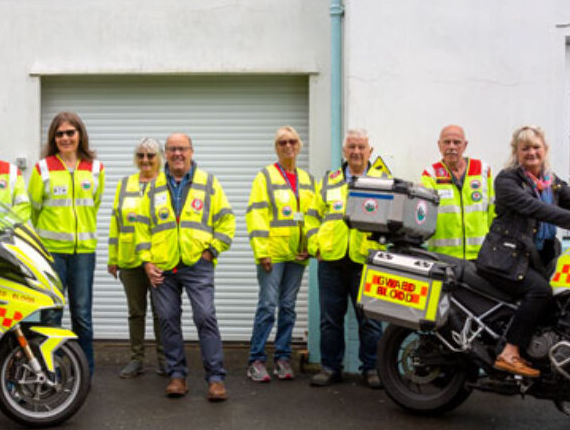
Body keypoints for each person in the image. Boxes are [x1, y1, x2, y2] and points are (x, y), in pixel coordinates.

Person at [475, 125, 570, 378]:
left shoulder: (550, 182)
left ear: (545, 150)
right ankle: (510, 352)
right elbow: (535, 208)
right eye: (525, 148)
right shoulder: (507, 180)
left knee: (564, 296)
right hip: (506, 259)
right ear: (516, 152)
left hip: (537, 260)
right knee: (540, 291)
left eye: (536, 147)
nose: (532, 152)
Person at [135, 133, 235, 402]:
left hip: (197, 264)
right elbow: (142, 228)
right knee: (167, 320)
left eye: (182, 149)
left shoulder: (208, 183)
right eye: (172, 149)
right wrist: (146, 261)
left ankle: (216, 379)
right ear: (165, 154)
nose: (177, 154)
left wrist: (211, 251)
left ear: (191, 151)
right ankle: (177, 376)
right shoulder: (153, 186)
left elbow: (227, 221)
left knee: (205, 317)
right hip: (164, 267)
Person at [306, 128, 389, 389]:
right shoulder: (331, 179)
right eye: (351, 146)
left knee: (370, 318)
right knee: (330, 319)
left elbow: (391, 221)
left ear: (370, 151)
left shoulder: (382, 181)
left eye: (361, 147)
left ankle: (373, 369)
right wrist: (314, 245)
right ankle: (331, 368)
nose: (356, 151)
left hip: (366, 260)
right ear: (344, 150)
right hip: (331, 259)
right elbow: (312, 217)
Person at [28, 112, 105, 375]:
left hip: (83, 254)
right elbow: (34, 211)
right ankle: (53, 371)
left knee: (82, 315)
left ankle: (85, 373)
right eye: (59, 134)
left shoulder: (96, 168)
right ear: (53, 138)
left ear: (80, 134)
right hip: (52, 254)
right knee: (51, 315)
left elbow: (93, 205)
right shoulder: (43, 168)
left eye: (70, 132)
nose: (65, 138)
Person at [245, 126, 315, 382]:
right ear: (276, 147)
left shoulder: (307, 180)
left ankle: (283, 358)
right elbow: (256, 215)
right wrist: (262, 252)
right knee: (267, 306)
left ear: (299, 146)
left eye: (292, 141)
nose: (288, 146)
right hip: (272, 255)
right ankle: (256, 360)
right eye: (282, 142)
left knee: (288, 307)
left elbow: (312, 218)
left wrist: (310, 246)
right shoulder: (265, 177)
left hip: (297, 257)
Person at [107, 137, 164, 378]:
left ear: (159, 158)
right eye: (141, 155)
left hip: (159, 259)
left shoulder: (166, 183)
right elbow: (115, 224)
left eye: (150, 156)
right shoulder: (125, 184)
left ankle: (165, 360)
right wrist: (113, 258)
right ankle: (136, 359)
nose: (145, 160)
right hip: (130, 260)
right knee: (136, 312)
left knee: (163, 313)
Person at [420, 124, 493, 261]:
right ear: (439, 145)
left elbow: (492, 210)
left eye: (457, 142)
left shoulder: (482, 169)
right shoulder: (431, 174)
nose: (452, 146)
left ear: (465, 145)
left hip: (480, 255)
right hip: (443, 256)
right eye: (447, 142)